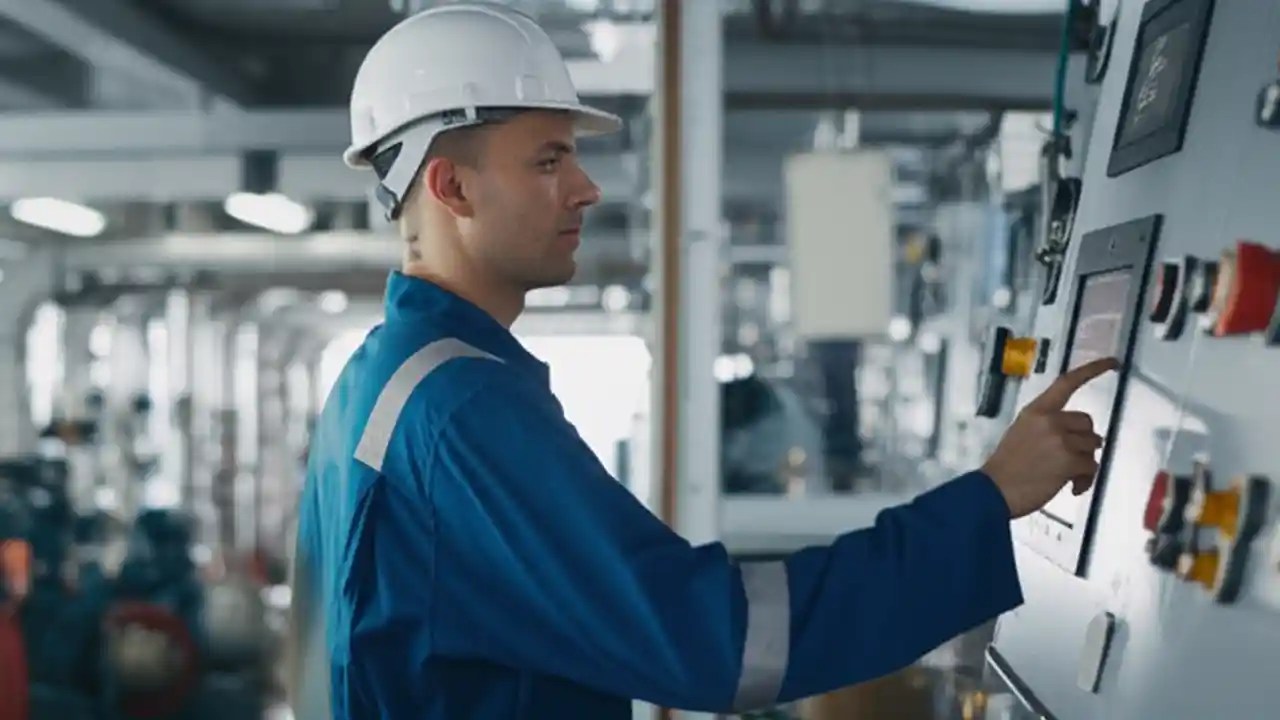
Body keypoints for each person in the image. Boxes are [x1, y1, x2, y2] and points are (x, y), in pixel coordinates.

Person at [286, 3, 1117, 718]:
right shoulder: (460, 409)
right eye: (548, 160)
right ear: (452, 188)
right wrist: (988, 502)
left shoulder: (374, 382)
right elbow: (719, 643)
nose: (585, 188)